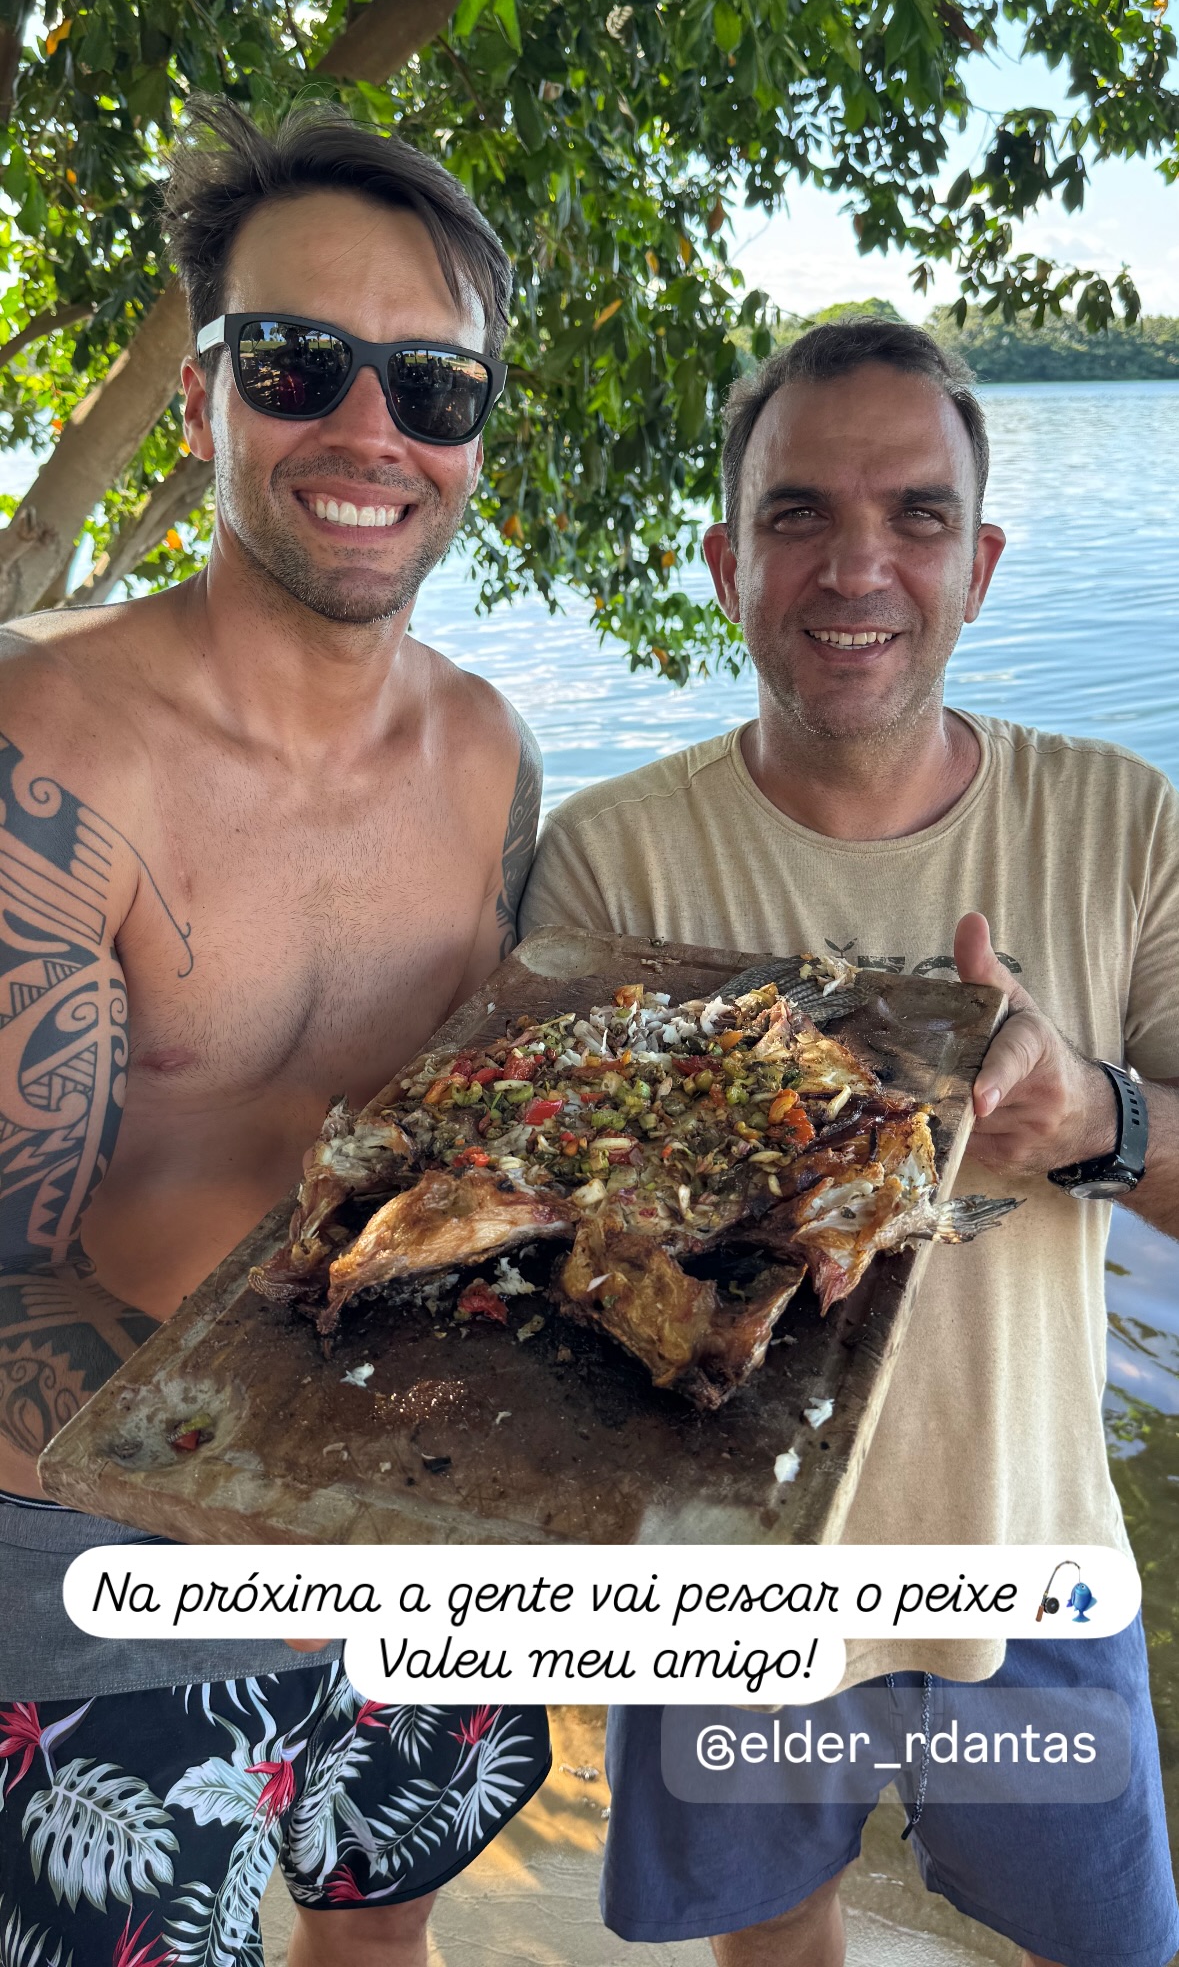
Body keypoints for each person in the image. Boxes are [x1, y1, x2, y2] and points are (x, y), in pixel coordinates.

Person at [520, 319, 1179, 1967]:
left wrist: (1087, 1116)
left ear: (985, 559)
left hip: (1025, 1560)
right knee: (775, 1942)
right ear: (723, 557)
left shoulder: (1123, 824)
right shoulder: (610, 863)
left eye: (919, 516)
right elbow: (552, 1238)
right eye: (799, 513)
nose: (856, 568)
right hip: (725, 1575)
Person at [0, 99, 549, 1966]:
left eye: (432, 385)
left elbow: (476, 1152)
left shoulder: (489, 756)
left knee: (379, 1919)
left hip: (407, 1516)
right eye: (302, 364)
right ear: (203, 396)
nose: (369, 432)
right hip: (102, 1570)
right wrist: (235, 1503)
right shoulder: (47, 747)